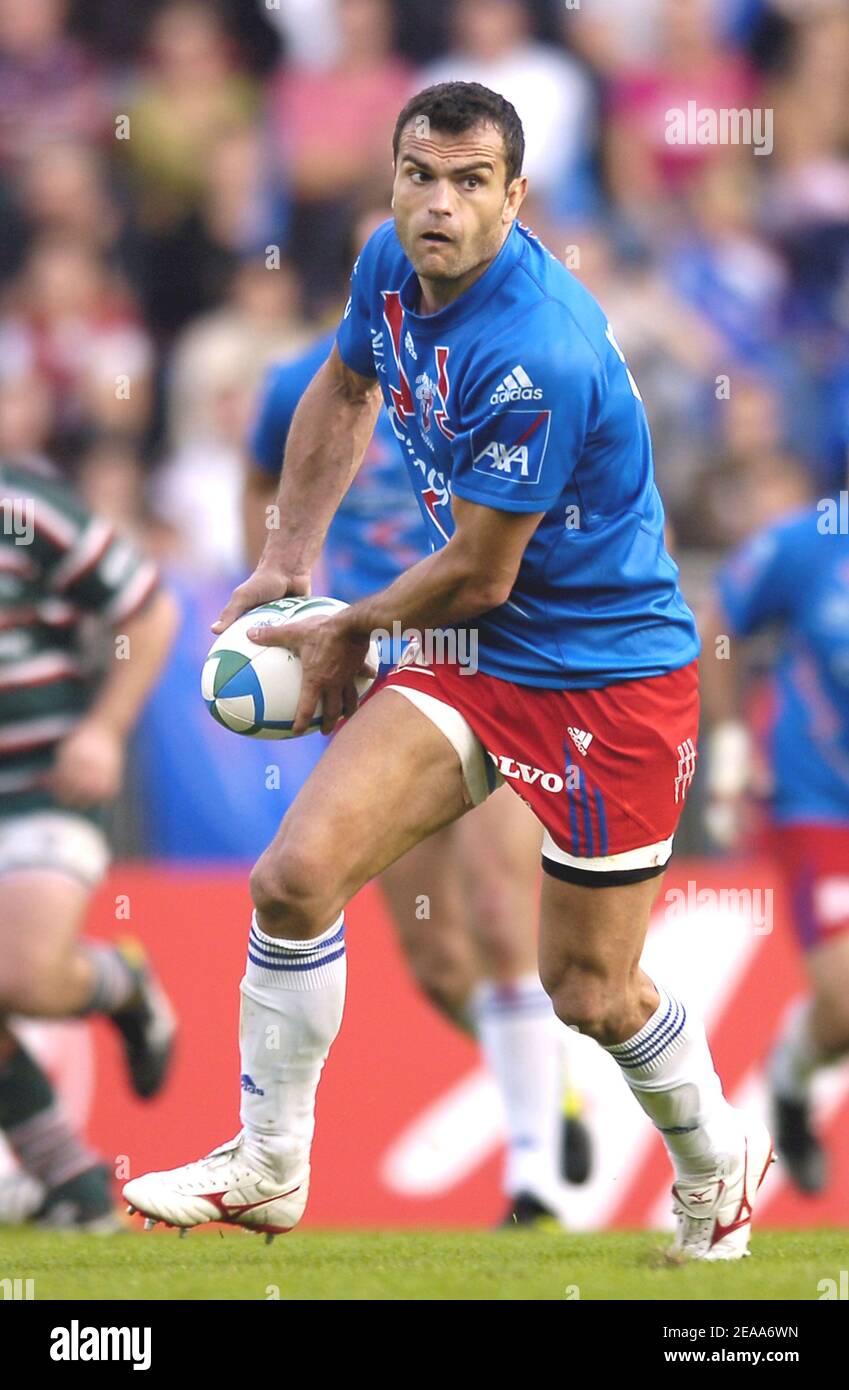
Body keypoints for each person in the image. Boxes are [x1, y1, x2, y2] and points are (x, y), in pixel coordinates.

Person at [124, 81, 771, 1260]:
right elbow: (340, 386)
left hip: (606, 673)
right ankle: (268, 1167)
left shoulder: (536, 353)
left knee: (589, 989)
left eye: (472, 183)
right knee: (294, 877)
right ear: (393, 179)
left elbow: (478, 569)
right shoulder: (385, 266)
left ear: (515, 199)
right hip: (477, 655)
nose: (440, 203)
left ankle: (717, 1163)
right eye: (421, 174)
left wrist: (351, 627)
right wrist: (287, 556)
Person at [244, 316, 592, 1226]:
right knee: (437, 962)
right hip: (362, 676)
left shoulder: (495, 375)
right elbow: (263, 488)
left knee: (492, 906)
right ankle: (543, 1087)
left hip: (478, 664)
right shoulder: (303, 384)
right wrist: (285, 583)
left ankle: (538, 1181)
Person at [0, 456, 178, 1228]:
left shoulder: (23, 507)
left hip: (45, 780)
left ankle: (122, 985)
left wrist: (105, 731)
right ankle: (69, 1183)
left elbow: (149, 608)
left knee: (21, 973)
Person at [702, 498, 849, 1194]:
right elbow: (720, 622)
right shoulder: (810, 541)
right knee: (844, 1001)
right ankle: (788, 1089)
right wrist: (730, 746)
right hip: (817, 797)